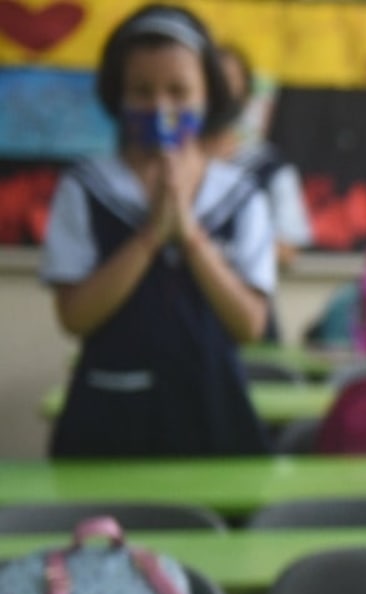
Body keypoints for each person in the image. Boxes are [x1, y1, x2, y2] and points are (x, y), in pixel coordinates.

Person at [40, 4, 273, 457]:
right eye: (142, 92)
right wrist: (150, 236)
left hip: (215, 416)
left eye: (179, 91)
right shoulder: (86, 188)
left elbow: (249, 324)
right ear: (118, 96)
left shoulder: (241, 194)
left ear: (208, 96)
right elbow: (74, 317)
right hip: (108, 419)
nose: (161, 107)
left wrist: (188, 233)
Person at [205, 44, 311, 343]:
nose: (221, 95)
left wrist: (220, 251)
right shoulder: (168, 166)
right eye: (212, 82)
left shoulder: (268, 167)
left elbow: (290, 248)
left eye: (230, 84)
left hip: (248, 319)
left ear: (248, 94)